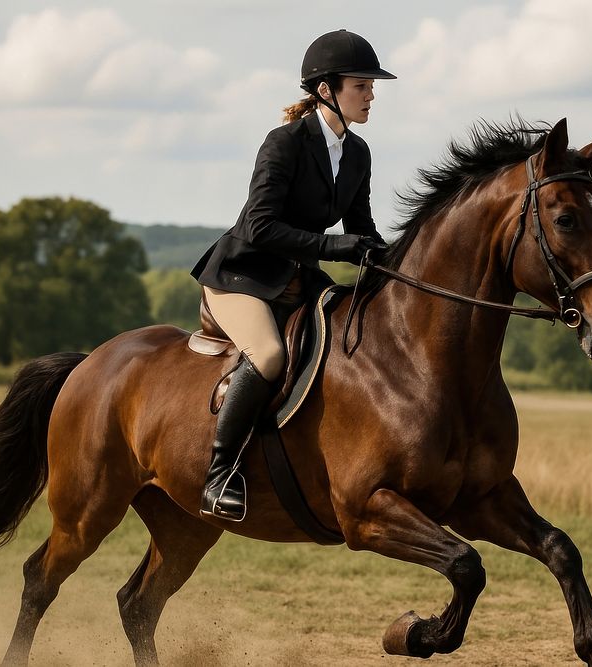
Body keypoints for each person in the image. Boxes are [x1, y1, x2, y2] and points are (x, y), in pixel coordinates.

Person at [190, 29, 395, 521]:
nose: (371, 94)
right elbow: (260, 226)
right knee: (267, 354)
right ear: (327, 90)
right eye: (361, 85)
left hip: (300, 278)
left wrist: (394, 263)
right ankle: (219, 477)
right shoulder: (284, 142)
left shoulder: (359, 153)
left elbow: (360, 227)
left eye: (371, 86)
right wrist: (334, 246)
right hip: (242, 276)